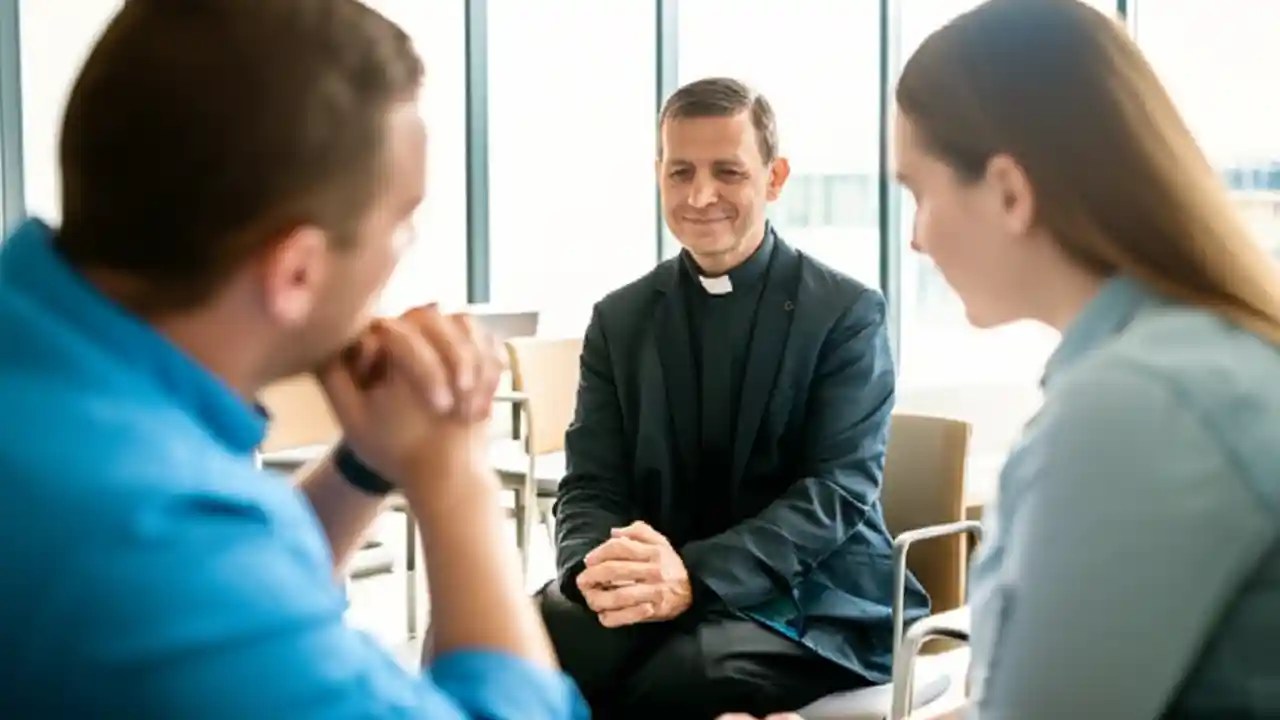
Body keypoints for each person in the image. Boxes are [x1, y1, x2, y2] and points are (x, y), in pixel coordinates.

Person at [0, 1, 585, 718]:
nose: (405, 248)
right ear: (297, 273)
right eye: (403, 220)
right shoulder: (155, 541)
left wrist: (364, 464)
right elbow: (201, 574)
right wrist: (453, 472)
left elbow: (254, 573)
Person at [893, 0, 1280, 717]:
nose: (914, 238)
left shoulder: (1137, 409)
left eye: (917, 192)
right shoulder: (1202, 362)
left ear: (1009, 191)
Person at [537, 76, 930, 719]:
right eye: (680, 171)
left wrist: (692, 577)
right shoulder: (620, 318)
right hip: (659, 586)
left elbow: (836, 492)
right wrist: (598, 568)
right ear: (659, 174)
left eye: (728, 172)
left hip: (814, 595)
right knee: (535, 638)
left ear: (774, 178)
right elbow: (590, 481)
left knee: (686, 677)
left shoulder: (846, 313)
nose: (700, 195)